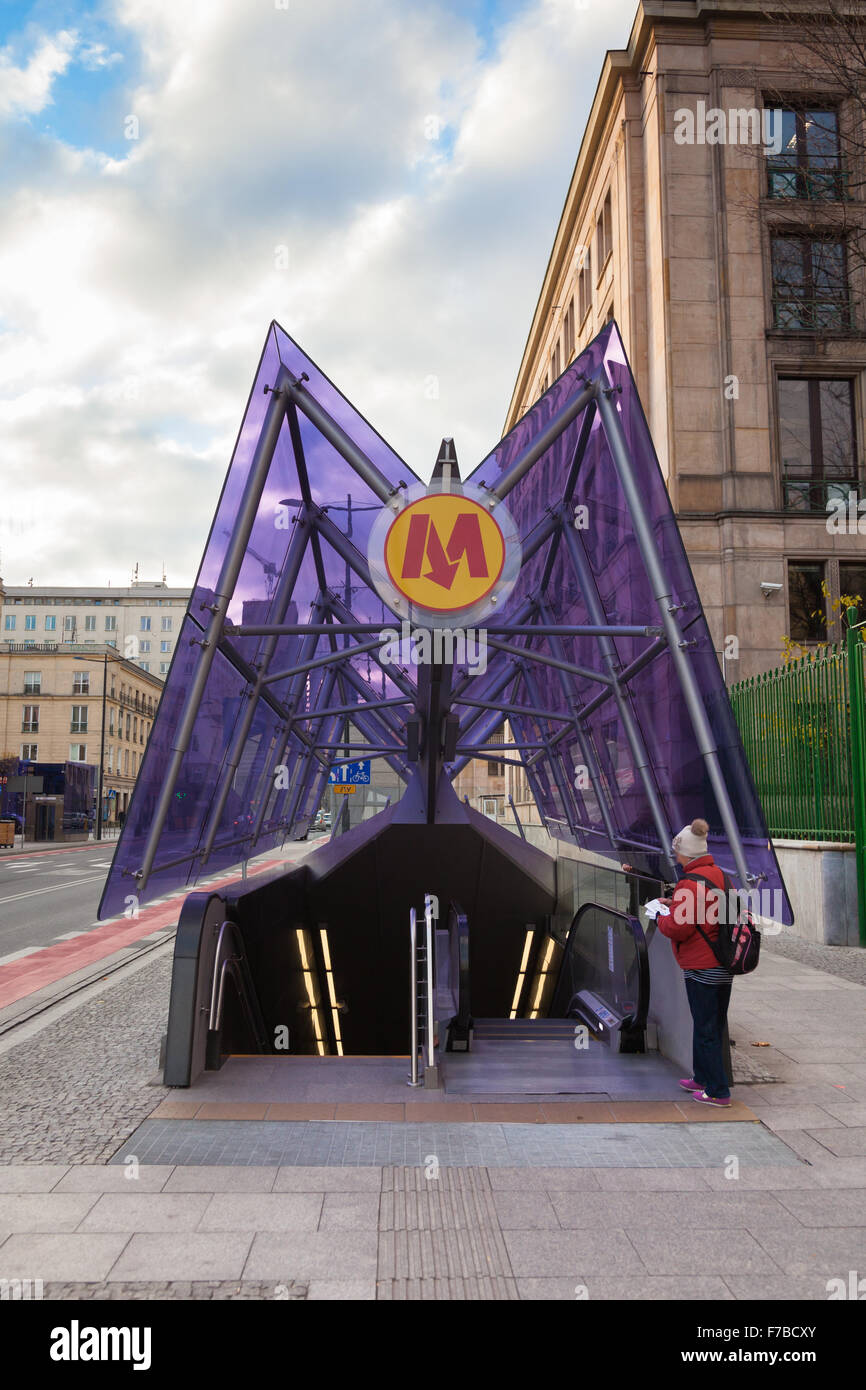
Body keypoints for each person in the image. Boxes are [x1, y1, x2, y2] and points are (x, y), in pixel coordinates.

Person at [656, 817, 733, 1107]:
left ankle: (717, 1091)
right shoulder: (721, 876)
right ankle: (701, 1078)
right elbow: (717, 912)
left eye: (677, 852)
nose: (676, 856)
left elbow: (679, 928)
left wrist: (663, 917)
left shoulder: (689, 883)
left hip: (702, 967)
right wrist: (675, 904)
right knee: (712, 1024)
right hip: (724, 964)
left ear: (686, 853)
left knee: (705, 1028)